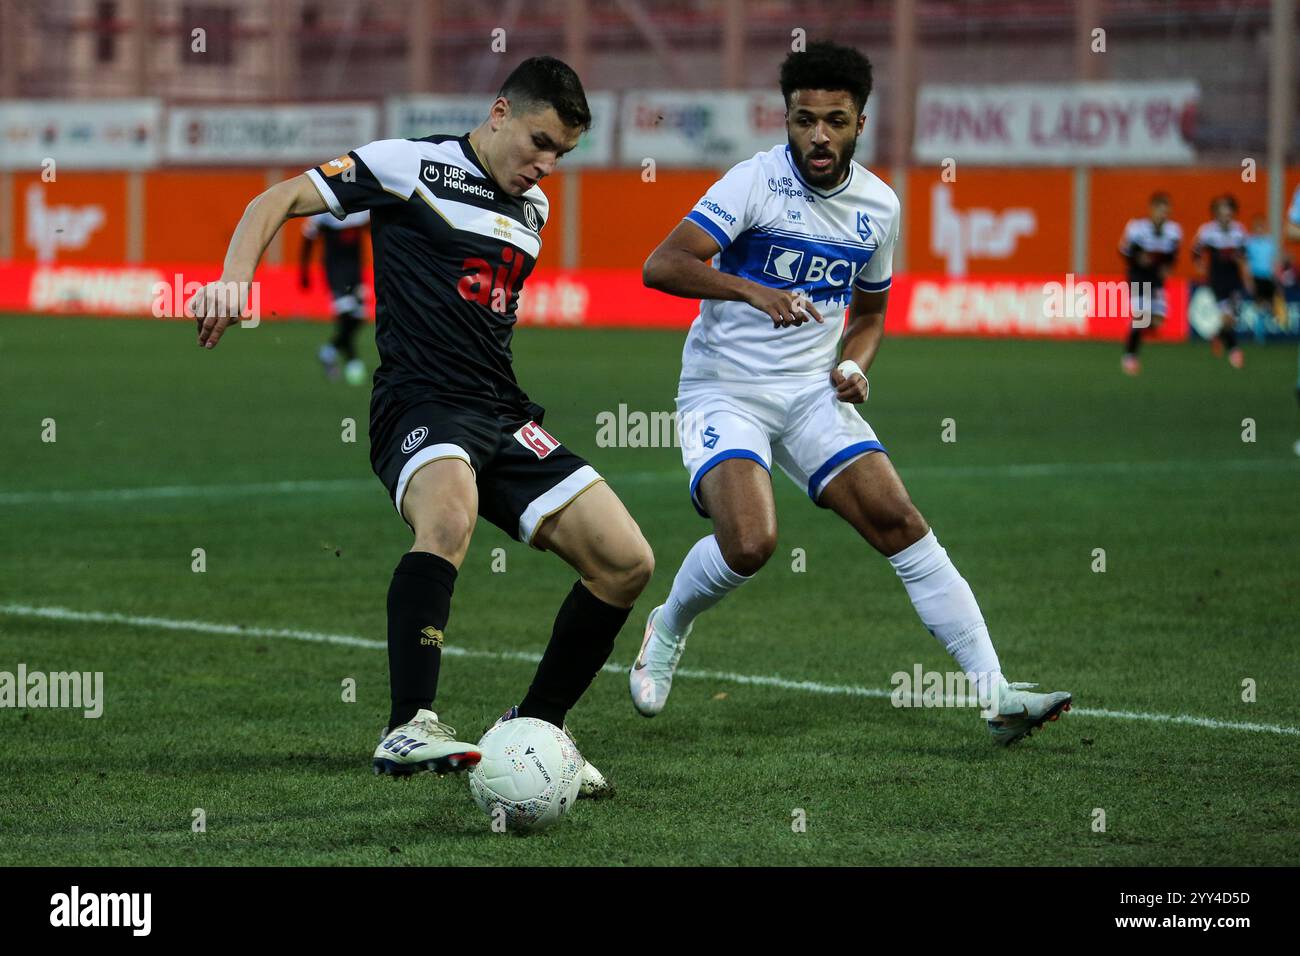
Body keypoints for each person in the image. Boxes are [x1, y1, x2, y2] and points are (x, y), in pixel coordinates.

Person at [187, 57, 653, 794]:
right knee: (448, 518)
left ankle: (534, 730)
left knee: (627, 561)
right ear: (499, 112)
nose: (545, 164)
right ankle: (410, 724)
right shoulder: (410, 164)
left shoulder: (534, 213)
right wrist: (234, 276)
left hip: (501, 413)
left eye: (560, 153)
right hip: (420, 403)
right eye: (537, 141)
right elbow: (274, 199)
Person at [630, 40, 1071, 746]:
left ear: (861, 121)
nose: (818, 136)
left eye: (834, 121)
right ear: (787, 120)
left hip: (810, 391)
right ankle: (671, 622)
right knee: (750, 543)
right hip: (724, 389)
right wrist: (752, 290)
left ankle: (997, 695)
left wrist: (856, 366)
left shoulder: (879, 206)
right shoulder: (753, 183)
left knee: (899, 518)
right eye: (804, 120)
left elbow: (868, 316)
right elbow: (663, 264)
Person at [299, 208, 371, 385]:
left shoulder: (361, 206)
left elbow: (374, 228)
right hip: (335, 271)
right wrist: (304, 271)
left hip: (355, 271)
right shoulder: (324, 210)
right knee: (346, 315)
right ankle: (353, 361)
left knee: (358, 317)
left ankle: (329, 350)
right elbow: (308, 238)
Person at [1118, 192, 1181, 375]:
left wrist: (1168, 267)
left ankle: (1135, 328)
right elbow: (1123, 251)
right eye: (1159, 210)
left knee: (1157, 321)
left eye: (1165, 211)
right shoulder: (1137, 228)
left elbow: (1172, 255)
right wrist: (1138, 257)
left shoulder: (1173, 231)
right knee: (1142, 318)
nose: (1163, 214)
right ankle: (1130, 356)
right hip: (1139, 276)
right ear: (1151, 210)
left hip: (1156, 280)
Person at [1191, 195, 1252, 367]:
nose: (1225, 216)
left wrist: (1247, 278)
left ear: (1233, 213)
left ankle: (1217, 335)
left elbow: (1243, 257)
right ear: (1215, 214)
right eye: (1221, 212)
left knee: (1233, 318)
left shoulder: (1239, 231)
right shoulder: (1207, 231)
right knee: (1227, 317)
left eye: (1228, 212)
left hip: (1234, 279)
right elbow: (1195, 250)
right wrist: (1200, 265)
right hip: (1217, 279)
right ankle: (1234, 351)